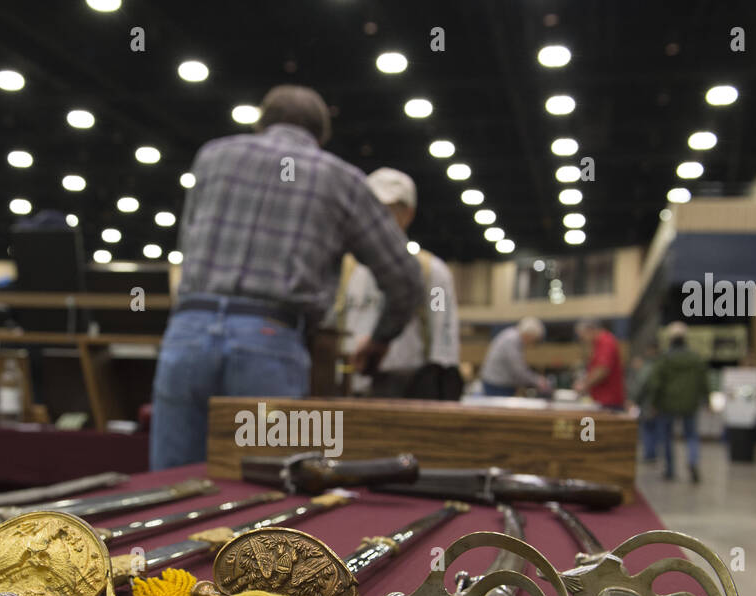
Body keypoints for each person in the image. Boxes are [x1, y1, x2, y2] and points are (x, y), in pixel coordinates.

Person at [149, 84, 423, 469]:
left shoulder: (212, 157)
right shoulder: (340, 179)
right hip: (269, 339)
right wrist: (379, 340)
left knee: (170, 482)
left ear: (260, 123)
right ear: (321, 136)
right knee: (262, 493)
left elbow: (188, 242)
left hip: (187, 331)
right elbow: (406, 279)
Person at [332, 167, 460, 399]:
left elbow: (444, 335)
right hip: (348, 391)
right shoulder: (344, 269)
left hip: (405, 394)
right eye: (372, 209)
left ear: (408, 214)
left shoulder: (433, 273)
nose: (378, 218)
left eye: (389, 210)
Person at [645, 322, 709, 482]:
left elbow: (655, 383)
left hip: (667, 403)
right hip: (690, 403)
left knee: (667, 437)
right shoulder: (695, 358)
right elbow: (703, 381)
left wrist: (653, 402)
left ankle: (670, 469)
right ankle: (692, 461)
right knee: (691, 435)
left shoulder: (664, 359)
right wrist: (707, 399)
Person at [480, 317, 551, 397]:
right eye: (534, 339)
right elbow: (518, 370)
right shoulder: (512, 340)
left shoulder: (512, 335)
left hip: (498, 383)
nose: (532, 343)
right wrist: (538, 381)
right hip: (497, 385)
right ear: (529, 335)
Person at [574, 318, 626, 410]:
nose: (584, 341)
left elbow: (602, 369)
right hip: (603, 400)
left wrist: (584, 385)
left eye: (583, 336)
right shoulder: (598, 343)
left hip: (609, 402)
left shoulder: (606, 341)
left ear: (589, 330)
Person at [626, 341, 661, 462]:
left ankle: (649, 454)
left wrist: (633, 399)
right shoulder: (662, 364)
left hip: (648, 403)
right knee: (656, 429)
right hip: (660, 404)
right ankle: (653, 453)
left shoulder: (648, 367)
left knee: (647, 428)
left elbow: (641, 385)